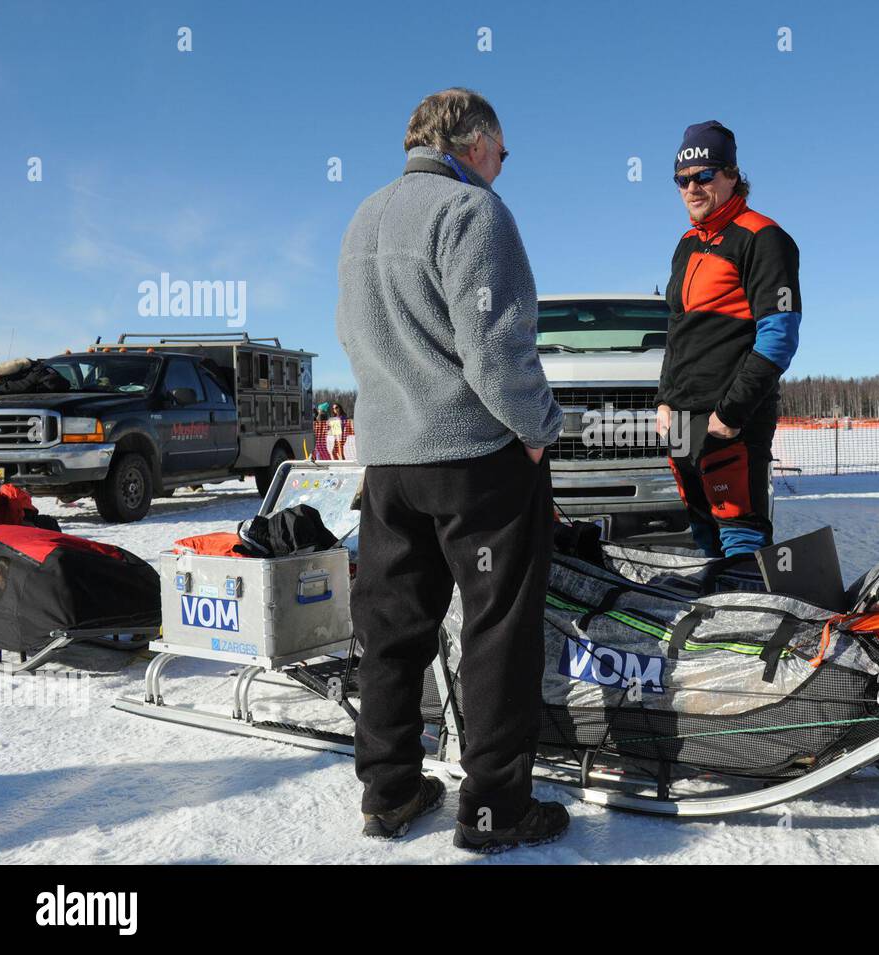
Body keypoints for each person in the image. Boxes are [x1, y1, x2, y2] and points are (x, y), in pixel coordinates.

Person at [335, 87, 568, 850]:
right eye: (502, 151)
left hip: (391, 463)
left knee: (392, 630)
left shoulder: (364, 219)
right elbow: (497, 351)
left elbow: (353, 334)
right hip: (474, 461)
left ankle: (390, 790)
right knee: (498, 630)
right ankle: (495, 807)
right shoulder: (472, 212)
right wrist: (538, 431)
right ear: (477, 142)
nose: (504, 165)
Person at [654, 121, 801, 557]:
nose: (692, 188)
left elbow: (779, 336)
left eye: (704, 176)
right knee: (702, 531)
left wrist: (732, 412)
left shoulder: (764, 237)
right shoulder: (686, 243)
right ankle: (714, 619)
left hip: (729, 417)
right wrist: (665, 399)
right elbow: (677, 330)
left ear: (732, 175)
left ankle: (749, 622)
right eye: (682, 180)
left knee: (740, 533)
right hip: (681, 417)